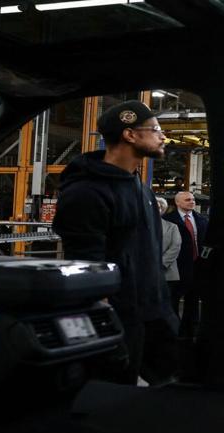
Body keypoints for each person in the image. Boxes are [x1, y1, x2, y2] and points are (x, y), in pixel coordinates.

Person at [52, 99, 176, 385]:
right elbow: (87, 267)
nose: (162, 136)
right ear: (129, 135)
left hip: (155, 312)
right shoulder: (86, 192)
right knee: (113, 396)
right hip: (119, 318)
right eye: (155, 129)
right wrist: (106, 326)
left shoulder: (140, 188)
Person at [165, 189, 209, 339]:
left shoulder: (201, 219)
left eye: (193, 199)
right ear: (177, 202)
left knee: (193, 300)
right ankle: (174, 331)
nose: (192, 202)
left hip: (197, 266)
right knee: (173, 300)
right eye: (187, 200)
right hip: (176, 267)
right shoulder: (168, 220)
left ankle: (191, 331)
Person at [156, 195, 182, 309]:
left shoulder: (172, 227)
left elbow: (175, 247)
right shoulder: (139, 227)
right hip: (144, 272)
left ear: (162, 209)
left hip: (167, 273)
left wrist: (160, 264)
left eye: (158, 207)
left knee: (167, 306)